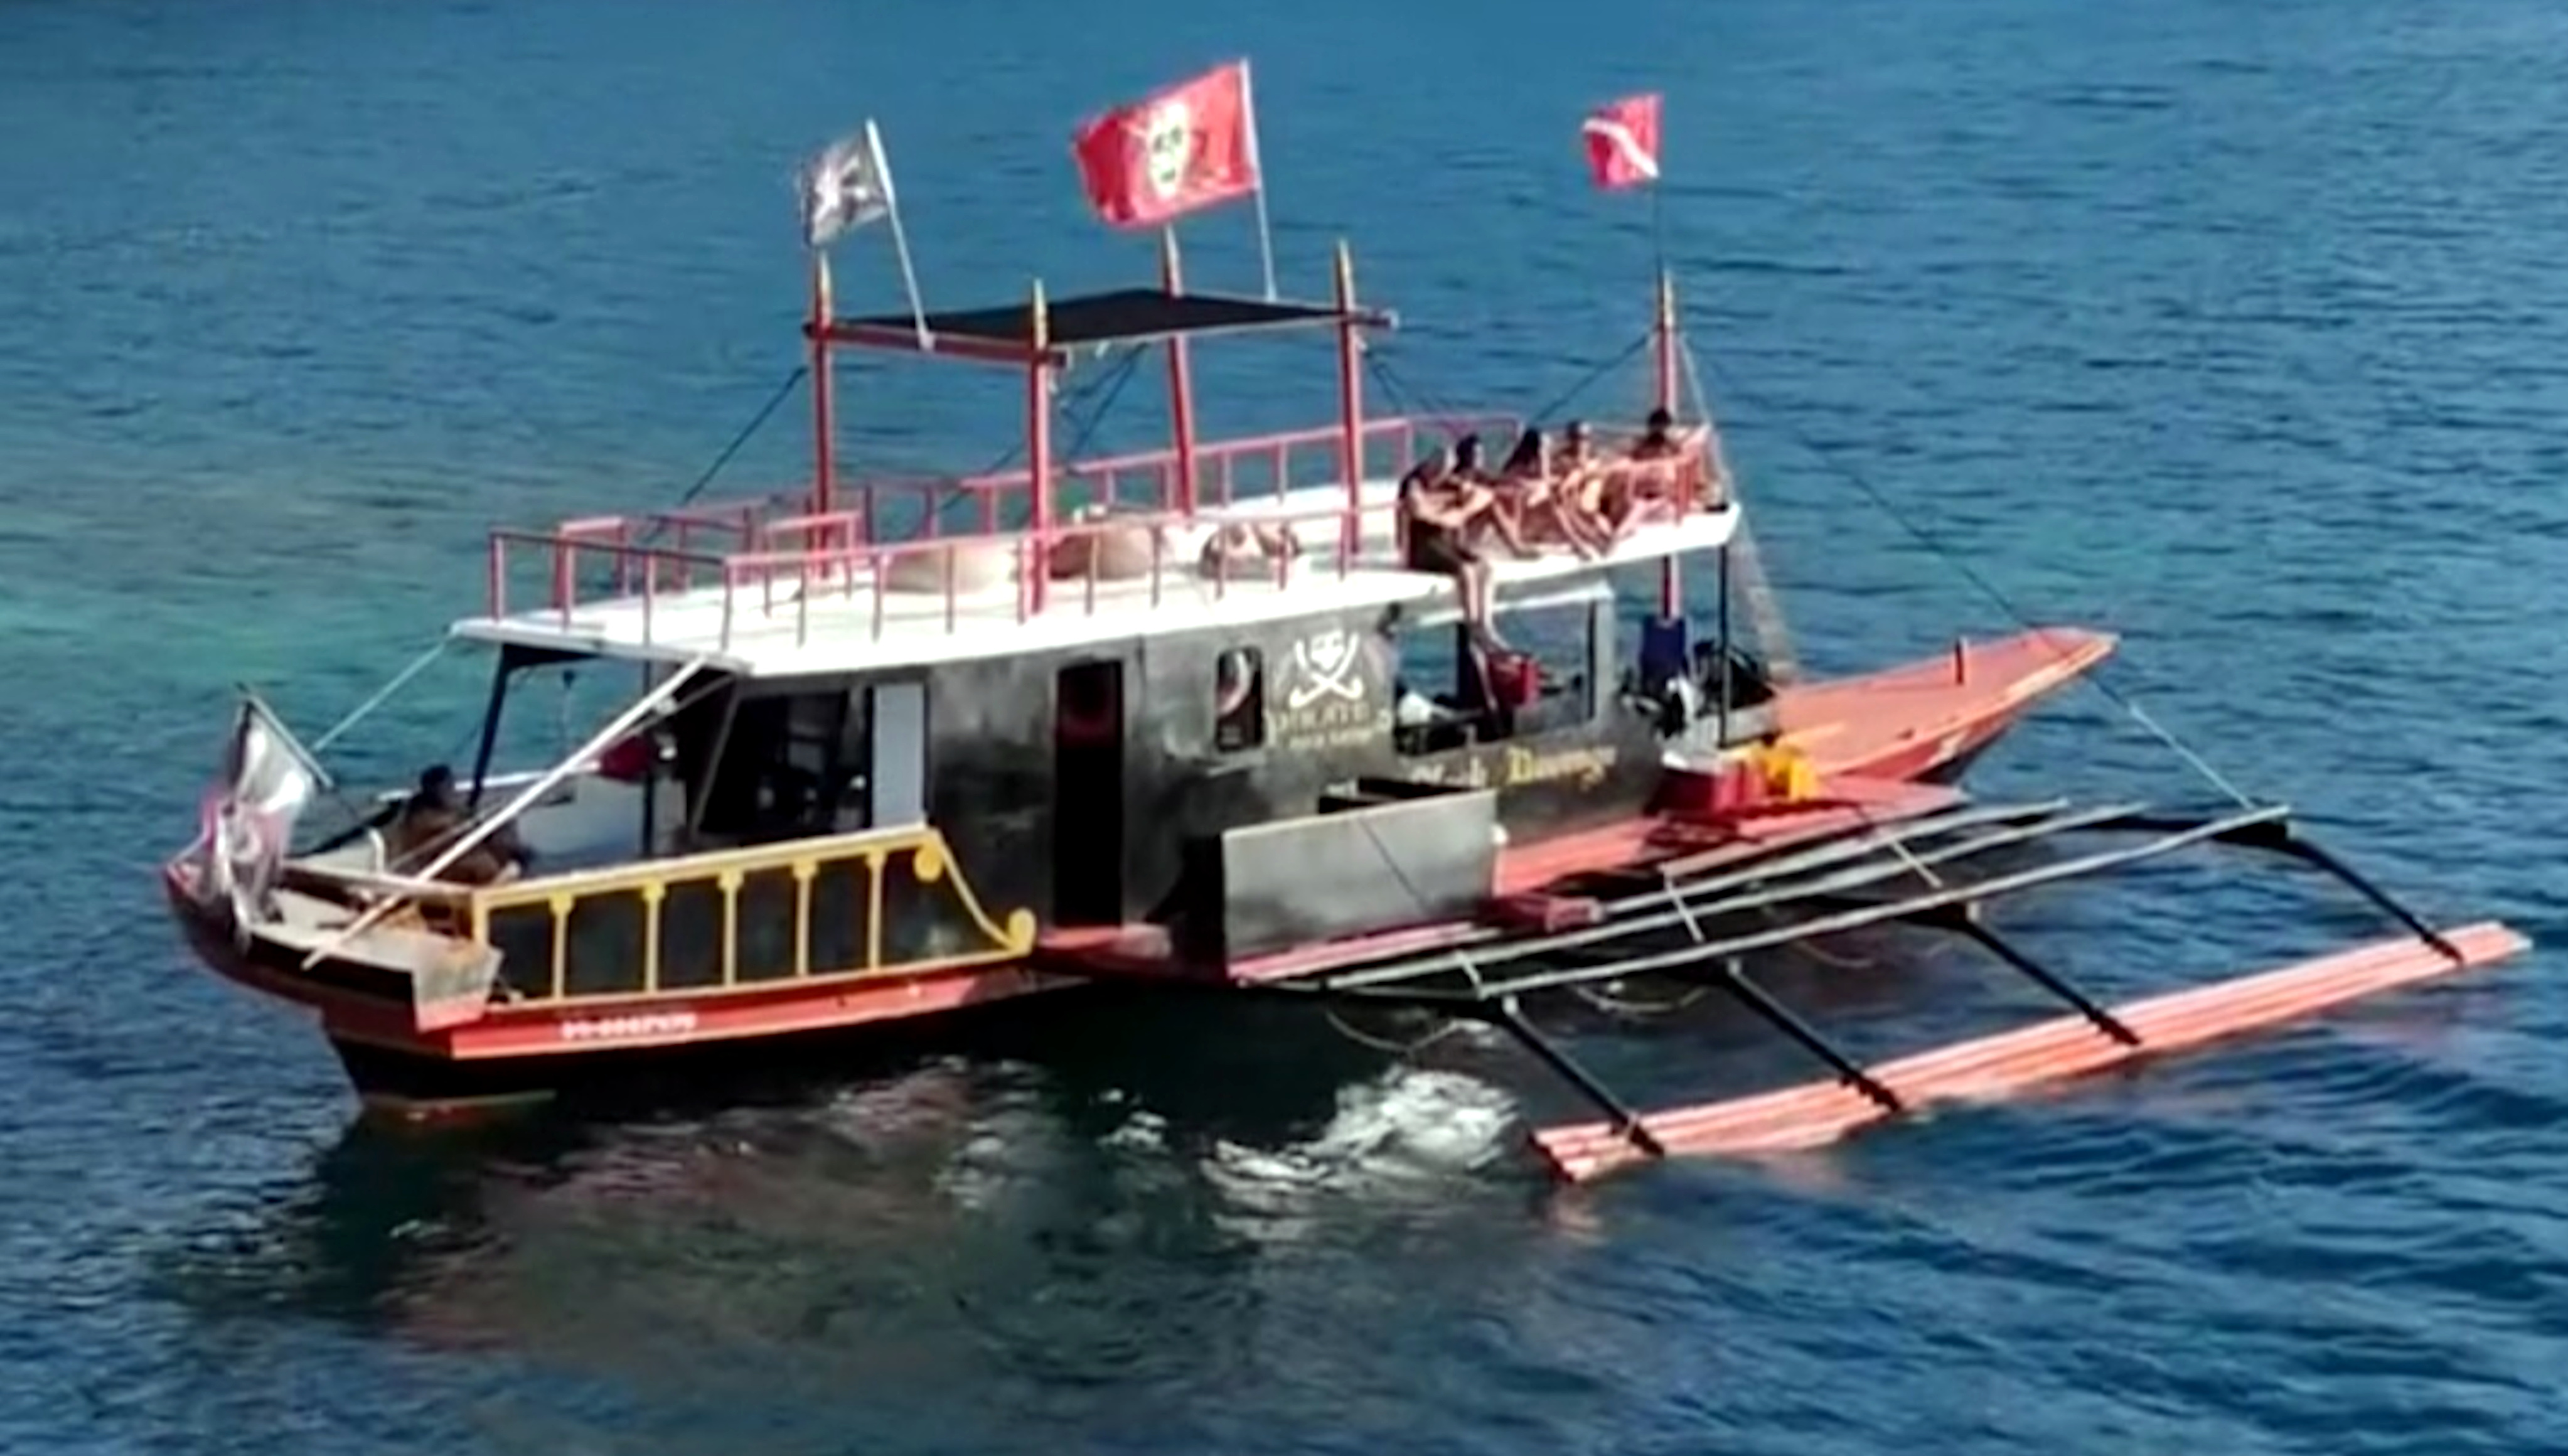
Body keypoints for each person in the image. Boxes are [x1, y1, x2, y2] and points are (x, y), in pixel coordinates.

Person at [1397, 449, 1510, 653]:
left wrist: (1460, 511)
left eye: (1445, 472)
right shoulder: (1414, 484)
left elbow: (1484, 496)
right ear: (1429, 465)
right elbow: (1418, 509)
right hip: (1423, 548)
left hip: (1446, 542)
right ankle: (1472, 623)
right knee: (1466, 571)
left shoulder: (1450, 482)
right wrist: (1447, 515)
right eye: (1438, 471)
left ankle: (1486, 623)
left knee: (1486, 568)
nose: (1441, 477)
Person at [388, 764, 528, 884]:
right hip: (443, 868)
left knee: (505, 833)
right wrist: (472, 823)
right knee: (496, 861)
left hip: (456, 855)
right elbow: (446, 829)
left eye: (450, 786)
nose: (449, 791)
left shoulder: (442, 810)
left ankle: (517, 859)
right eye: (444, 788)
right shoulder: (422, 816)